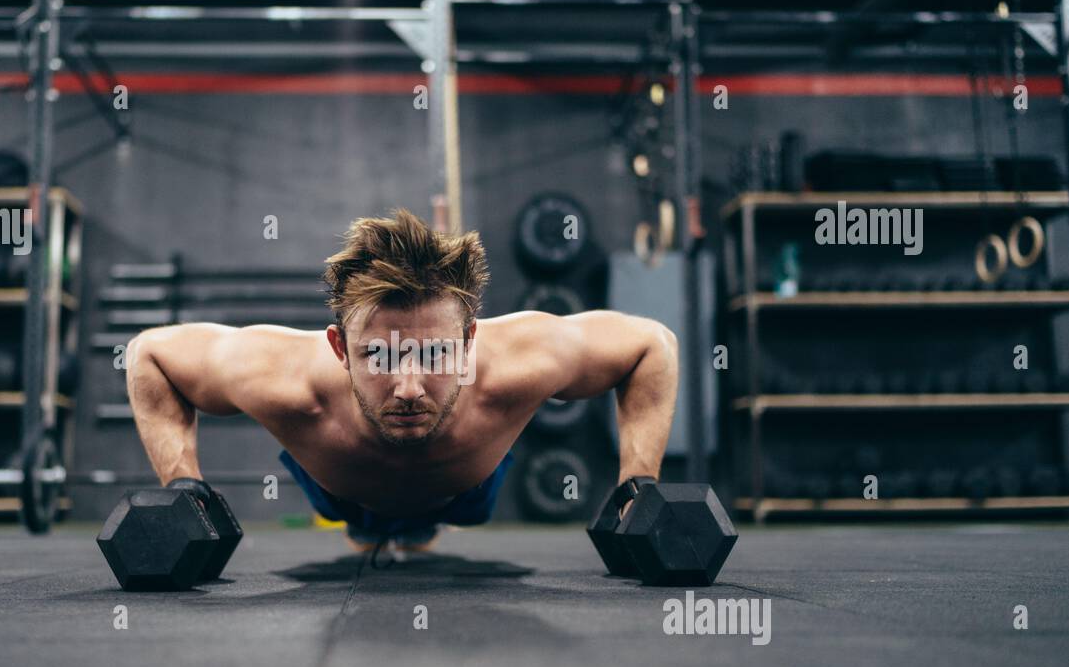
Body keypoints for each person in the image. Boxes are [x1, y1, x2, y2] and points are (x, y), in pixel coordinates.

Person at [125, 207, 678, 554]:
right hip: (341, 487)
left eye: (434, 353)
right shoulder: (284, 377)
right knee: (362, 526)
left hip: (465, 489)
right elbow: (149, 354)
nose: (409, 387)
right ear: (339, 348)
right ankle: (376, 529)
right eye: (380, 357)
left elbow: (653, 344)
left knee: (423, 525)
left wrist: (637, 488)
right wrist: (184, 489)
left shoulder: (521, 361)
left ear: (467, 344)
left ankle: (411, 530)